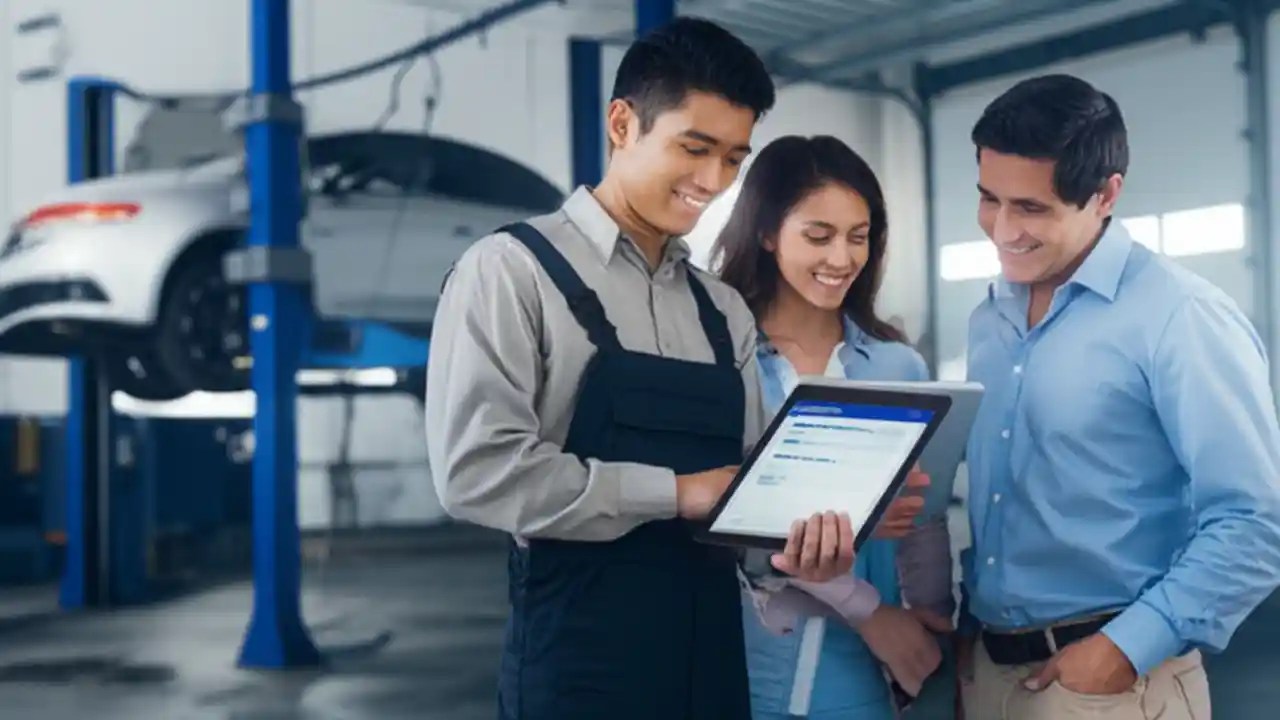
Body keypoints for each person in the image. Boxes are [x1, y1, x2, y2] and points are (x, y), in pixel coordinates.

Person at [424, 18, 869, 720]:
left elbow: (746, 497)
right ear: (623, 123)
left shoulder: (723, 311)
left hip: (714, 668)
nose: (713, 182)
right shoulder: (511, 272)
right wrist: (676, 491)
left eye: (732, 158)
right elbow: (475, 471)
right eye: (694, 149)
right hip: (578, 671)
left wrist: (808, 542)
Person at [955, 73, 1280, 719]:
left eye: (1033, 208)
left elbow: (1255, 523)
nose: (1002, 229)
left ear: (1106, 195)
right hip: (989, 672)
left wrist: (1123, 650)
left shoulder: (1180, 316)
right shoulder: (988, 319)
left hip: (1115, 685)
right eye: (990, 199)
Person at [711, 135, 956, 720]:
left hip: (862, 677)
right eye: (818, 236)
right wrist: (869, 609)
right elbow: (722, 526)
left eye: (859, 236)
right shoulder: (719, 360)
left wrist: (931, 626)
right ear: (767, 234)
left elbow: (925, 521)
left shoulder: (900, 368)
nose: (842, 258)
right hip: (739, 664)